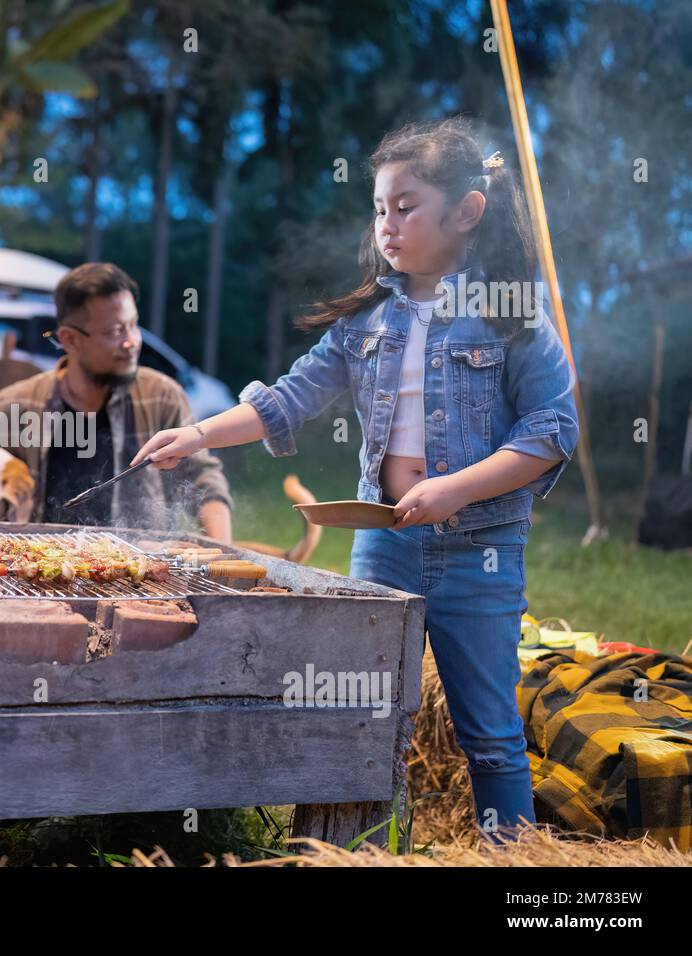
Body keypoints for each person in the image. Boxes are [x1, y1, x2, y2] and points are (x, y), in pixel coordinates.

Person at [133, 117, 579, 841]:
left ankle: (512, 867)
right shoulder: (366, 319)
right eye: (379, 208)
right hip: (383, 544)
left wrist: (456, 488)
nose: (387, 225)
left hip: (479, 553)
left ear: (467, 212)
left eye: (406, 206)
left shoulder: (511, 317)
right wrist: (200, 432)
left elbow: (551, 433)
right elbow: (288, 399)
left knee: (490, 735)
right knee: (370, 725)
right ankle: (364, 855)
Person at [0, 262, 233, 540]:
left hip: (137, 565)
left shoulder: (160, 397)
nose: (132, 342)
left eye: (133, 325)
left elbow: (203, 478)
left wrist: (223, 549)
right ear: (69, 339)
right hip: (42, 564)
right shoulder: (22, 406)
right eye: (115, 331)